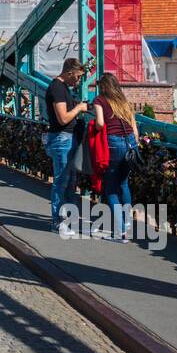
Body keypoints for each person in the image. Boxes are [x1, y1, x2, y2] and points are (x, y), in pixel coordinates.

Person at [93, 73, 138, 242]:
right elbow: (134, 126)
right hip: (130, 144)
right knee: (124, 183)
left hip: (113, 144)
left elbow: (100, 123)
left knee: (110, 187)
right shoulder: (124, 101)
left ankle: (120, 232)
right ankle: (126, 224)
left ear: (103, 86)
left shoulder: (99, 100)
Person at [45, 57, 88, 233]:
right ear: (69, 73)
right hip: (62, 139)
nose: (78, 81)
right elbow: (63, 118)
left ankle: (70, 219)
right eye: (77, 77)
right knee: (61, 181)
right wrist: (79, 109)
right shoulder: (57, 88)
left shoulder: (62, 88)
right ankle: (58, 221)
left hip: (67, 138)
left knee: (70, 181)